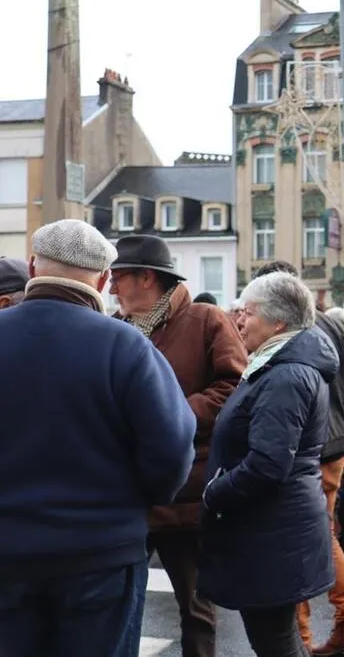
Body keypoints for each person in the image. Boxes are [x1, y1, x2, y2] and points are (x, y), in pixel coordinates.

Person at [0, 220, 196, 656]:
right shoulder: (126, 346)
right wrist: (142, 498)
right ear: (104, 279)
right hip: (100, 550)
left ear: (33, 267)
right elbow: (172, 448)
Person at [109, 234, 248, 657]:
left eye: (118, 278)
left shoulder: (206, 319)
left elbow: (236, 385)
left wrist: (175, 414)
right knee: (116, 607)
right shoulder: (117, 329)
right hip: (129, 492)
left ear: (147, 278)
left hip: (186, 491)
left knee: (196, 609)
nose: (111, 287)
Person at [198, 272, 336, 657]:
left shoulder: (286, 375)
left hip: (272, 531)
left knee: (275, 644)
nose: (238, 321)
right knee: (280, 640)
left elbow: (268, 463)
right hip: (274, 528)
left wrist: (214, 493)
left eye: (247, 312)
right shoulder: (279, 364)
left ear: (278, 322)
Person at [250, 262, 344, 656]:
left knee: (300, 540)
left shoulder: (286, 330)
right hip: (332, 445)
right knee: (321, 534)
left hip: (307, 448)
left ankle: (299, 635)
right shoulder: (332, 324)